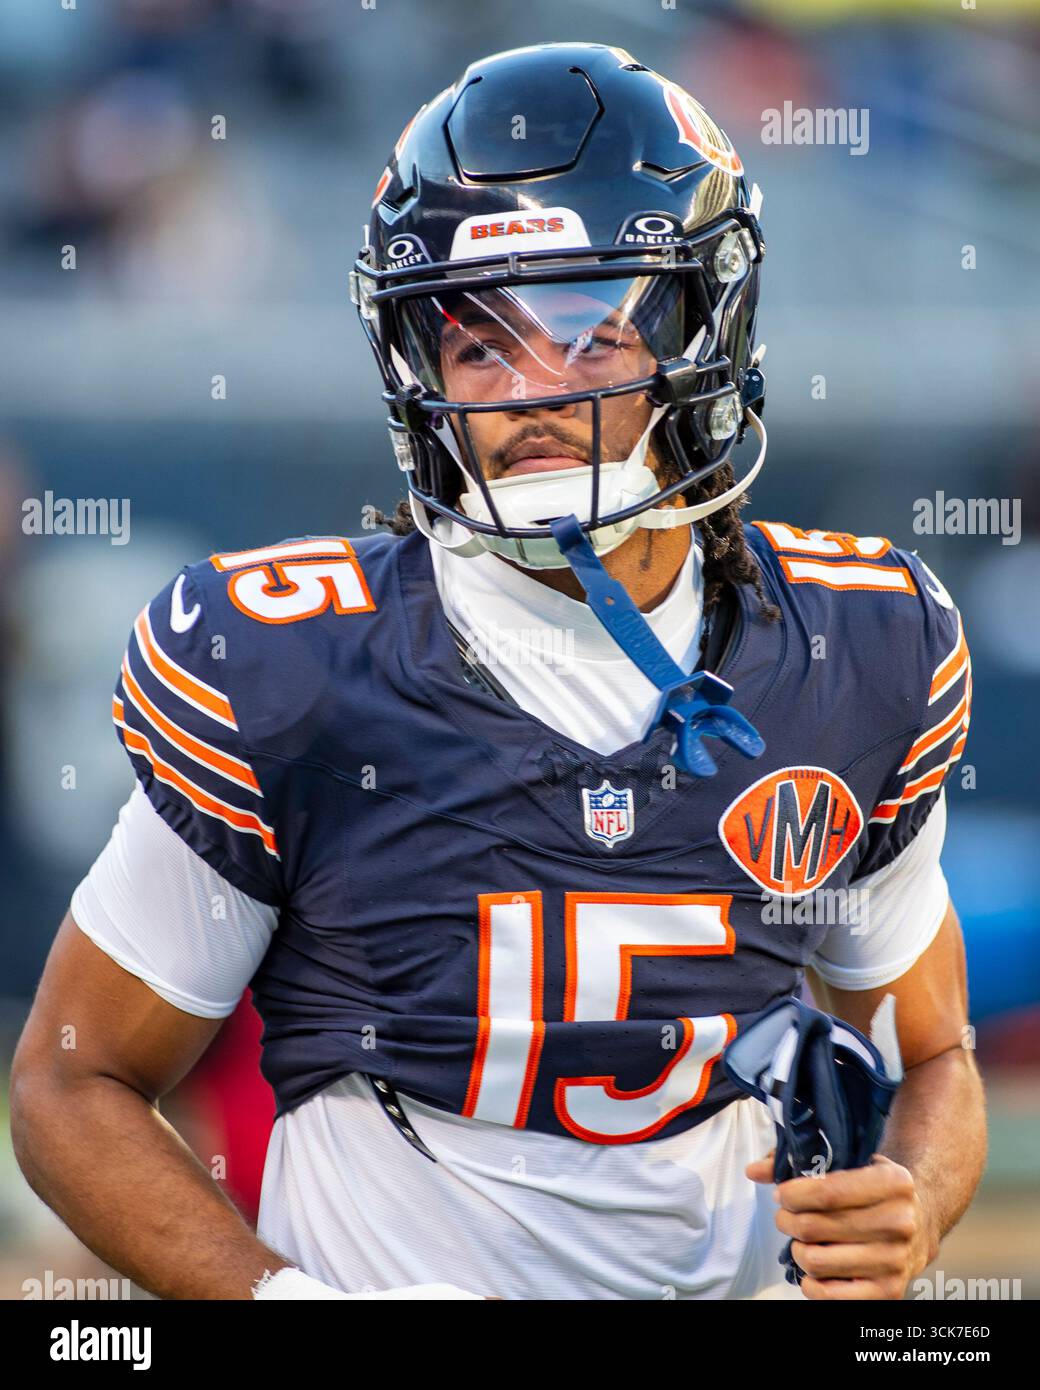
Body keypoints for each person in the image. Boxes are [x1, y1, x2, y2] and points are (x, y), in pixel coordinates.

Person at [11, 42, 984, 1302]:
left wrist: (907, 1199)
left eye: (585, 330)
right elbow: (68, 1081)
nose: (529, 391)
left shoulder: (849, 648)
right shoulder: (299, 666)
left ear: (701, 326)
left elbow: (935, 1060)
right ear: (415, 370)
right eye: (477, 345)